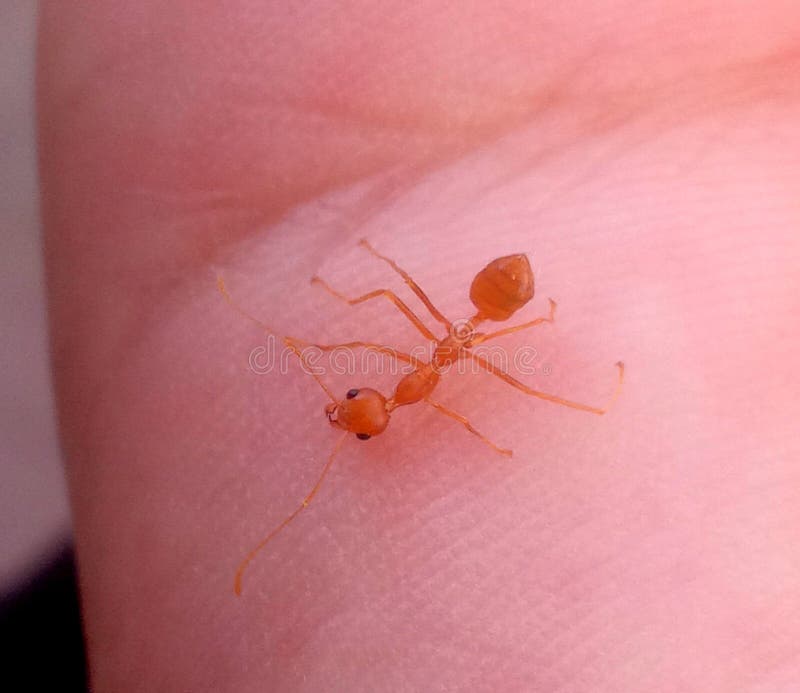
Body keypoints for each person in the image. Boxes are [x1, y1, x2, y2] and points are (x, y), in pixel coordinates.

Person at [40, 2, 800, 690]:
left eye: (351, 405)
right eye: (358, 411)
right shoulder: (417, 374)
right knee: (440, 348)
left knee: (484, 372)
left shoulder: (422, 373)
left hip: (492, 299)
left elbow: (405, 335)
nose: (349, 408)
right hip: (488, 306)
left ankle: (582, 400)